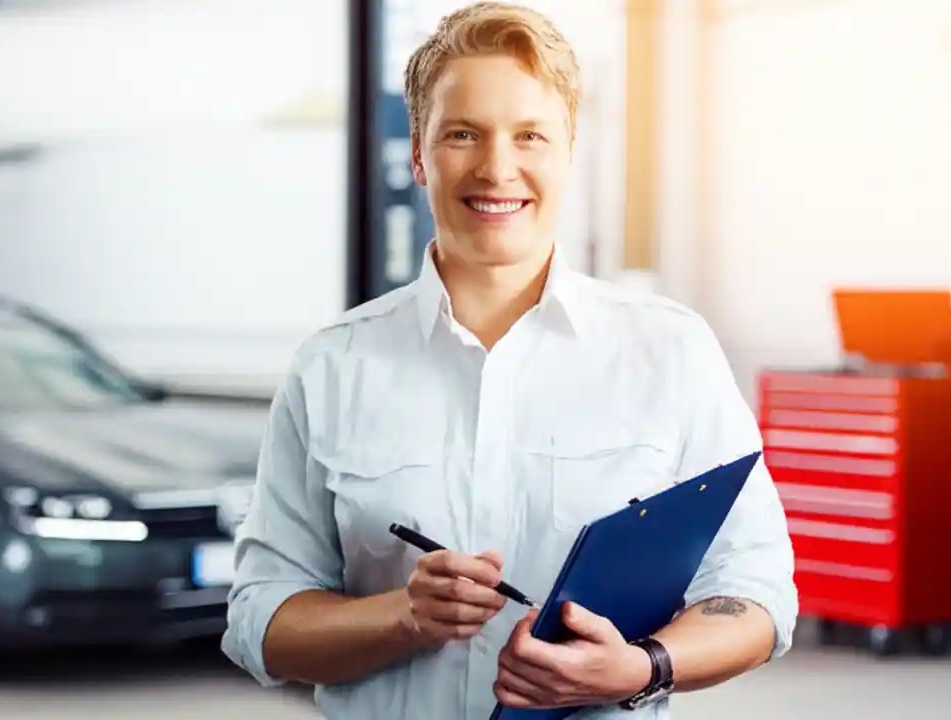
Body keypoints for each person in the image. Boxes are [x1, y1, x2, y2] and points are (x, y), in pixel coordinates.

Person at [221, 2, 798, 718]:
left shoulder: (670, 352)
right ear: (419, 155)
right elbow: (261, 620)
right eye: (463, 134)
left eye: (530, 135)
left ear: (569, 151)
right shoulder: (332, 368)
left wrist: (640, 667)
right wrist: (403, 616)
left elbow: (755, 590)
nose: (497, 169)